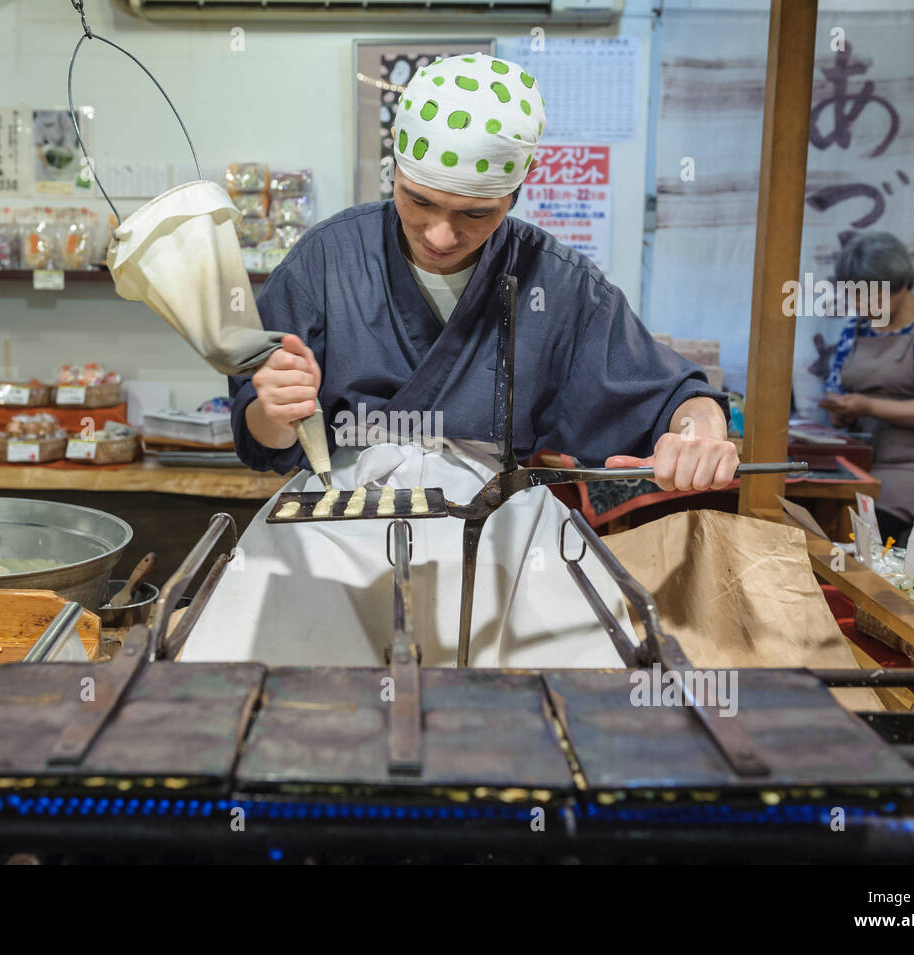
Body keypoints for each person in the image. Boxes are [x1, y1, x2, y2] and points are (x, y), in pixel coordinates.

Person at [178, 53, 737, 669]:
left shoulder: (557, 281)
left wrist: (700, 431)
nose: (441, 236)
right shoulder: (327, 260)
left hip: (497, 512)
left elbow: (669, 397)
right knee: (272, 673)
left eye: (476, 213)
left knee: (566, 684)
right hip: (338, 513)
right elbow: (259, 437)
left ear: (516, 194)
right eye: (419, 202)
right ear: (393, 173)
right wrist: (277, 412)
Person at [819, 232, 914, 546]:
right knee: (821, 507)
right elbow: (836, 390)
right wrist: (840, 411)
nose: (860, 305)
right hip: (865, 460)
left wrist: (867, 406)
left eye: (870, 296)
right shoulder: (855, 329)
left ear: (901, 284)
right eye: (855, 295)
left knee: (864, 522)